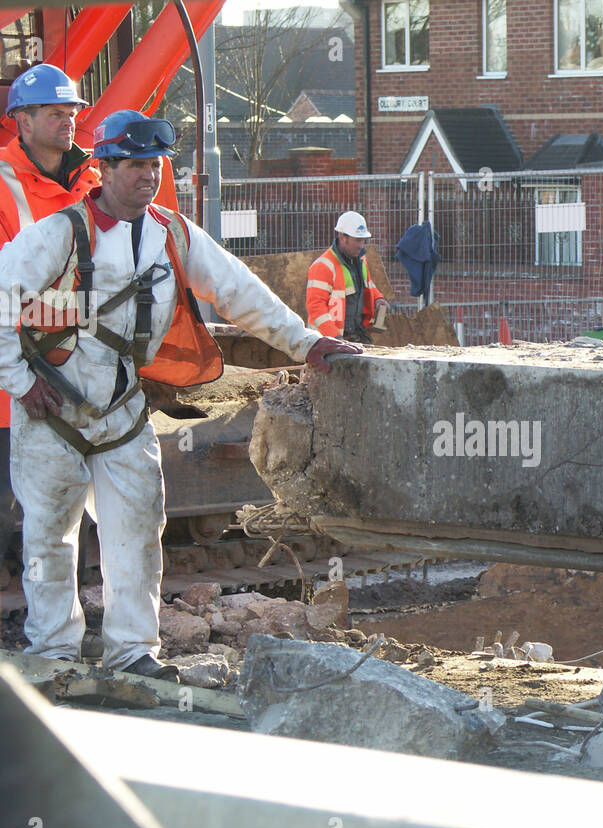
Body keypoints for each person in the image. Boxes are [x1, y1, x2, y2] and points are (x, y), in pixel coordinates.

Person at [0, 109, 361, 681]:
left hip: (122, 414)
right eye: (137, 165)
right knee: (49, 540)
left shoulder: (171, 234)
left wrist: (308, 343)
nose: (149, 175)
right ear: (106, 168)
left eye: (155, 164)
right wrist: (19, 380)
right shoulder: (58, 234)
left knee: (139, 533)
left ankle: (133, 653)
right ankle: (53, 657)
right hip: (54, 416)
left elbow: (240, 290)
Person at [0, 64, 100, 564]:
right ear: (22, 121)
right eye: (55, 112)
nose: (69, 120)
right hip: (16, 380)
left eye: (72, 111)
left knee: (70, 505)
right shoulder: (2, 184)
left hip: (85, 373)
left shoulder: (95, 182)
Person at [306, 210, 389, 344]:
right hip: (326, 341)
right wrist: (335, 338)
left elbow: (368, 284)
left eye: (363, 240)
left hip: (356, 334)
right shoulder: (323, 266)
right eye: (357, 240)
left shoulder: (360, 259)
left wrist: (378, 298)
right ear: (343, 238)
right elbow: (316, 308)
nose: (361, 245)